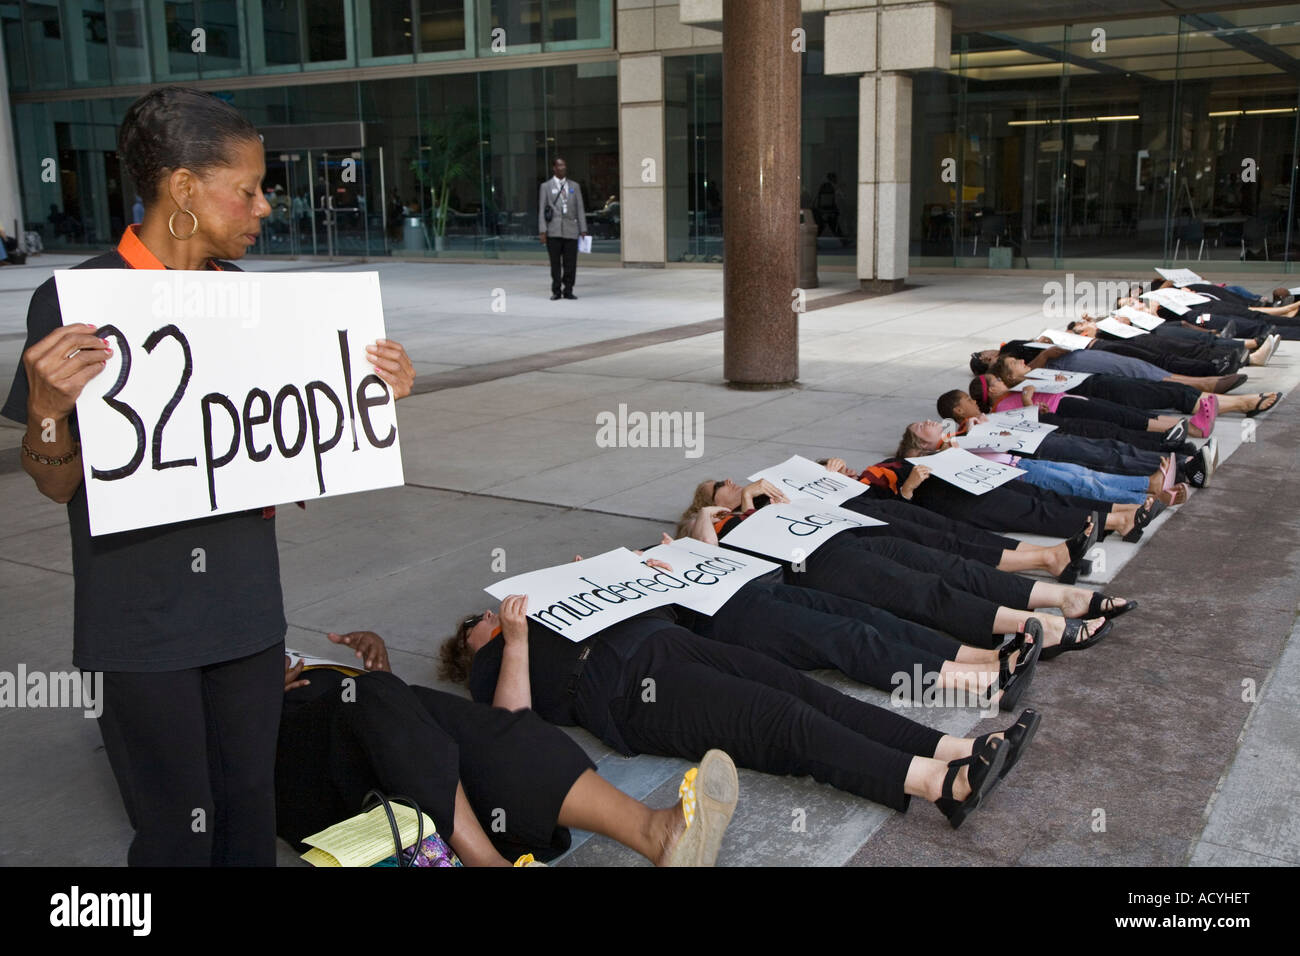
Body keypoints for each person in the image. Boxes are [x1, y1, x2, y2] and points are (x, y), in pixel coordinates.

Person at [1, 86, 417, 866]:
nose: (265, 207)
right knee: (174, 833)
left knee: (249, 814)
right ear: (185, 189)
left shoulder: (247, 302)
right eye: (249, 188)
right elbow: (57, 485)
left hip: (249, 617)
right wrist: (50, 407)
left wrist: (364, 403)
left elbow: (280, 456)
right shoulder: (77, 301)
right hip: (140, 630)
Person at [444, 595, 1042, 829]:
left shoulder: (542, 611)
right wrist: (515, 641)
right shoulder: (492, 664)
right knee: (778, 724)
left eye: (488, 613)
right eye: (478, 625)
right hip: (632, 690)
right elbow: (511, 724)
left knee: (812, 696)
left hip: (668, 644)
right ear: (467, 647)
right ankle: (940, 785)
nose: (490, 618)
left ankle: (955, 750)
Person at [278, 630, 738, 866]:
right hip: (281, 752)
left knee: (482, 729)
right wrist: (242, 704)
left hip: (356, 737)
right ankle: (487, 862)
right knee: (377, 695)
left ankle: (656, 834)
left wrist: (381, 670)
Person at [538, 157, 588, 300]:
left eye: (564, 165)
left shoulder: (574, 186)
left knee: (570, 263)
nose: (562, 168)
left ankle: (569, 289)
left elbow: (580, 208)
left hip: (571, 230)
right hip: (553, 230)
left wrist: (583, 229)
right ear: (554, 168)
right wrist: (542, 231)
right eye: (559, 166)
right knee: (555, 264)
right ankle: (556, 290)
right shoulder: (546, 186)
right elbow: (542, 209)